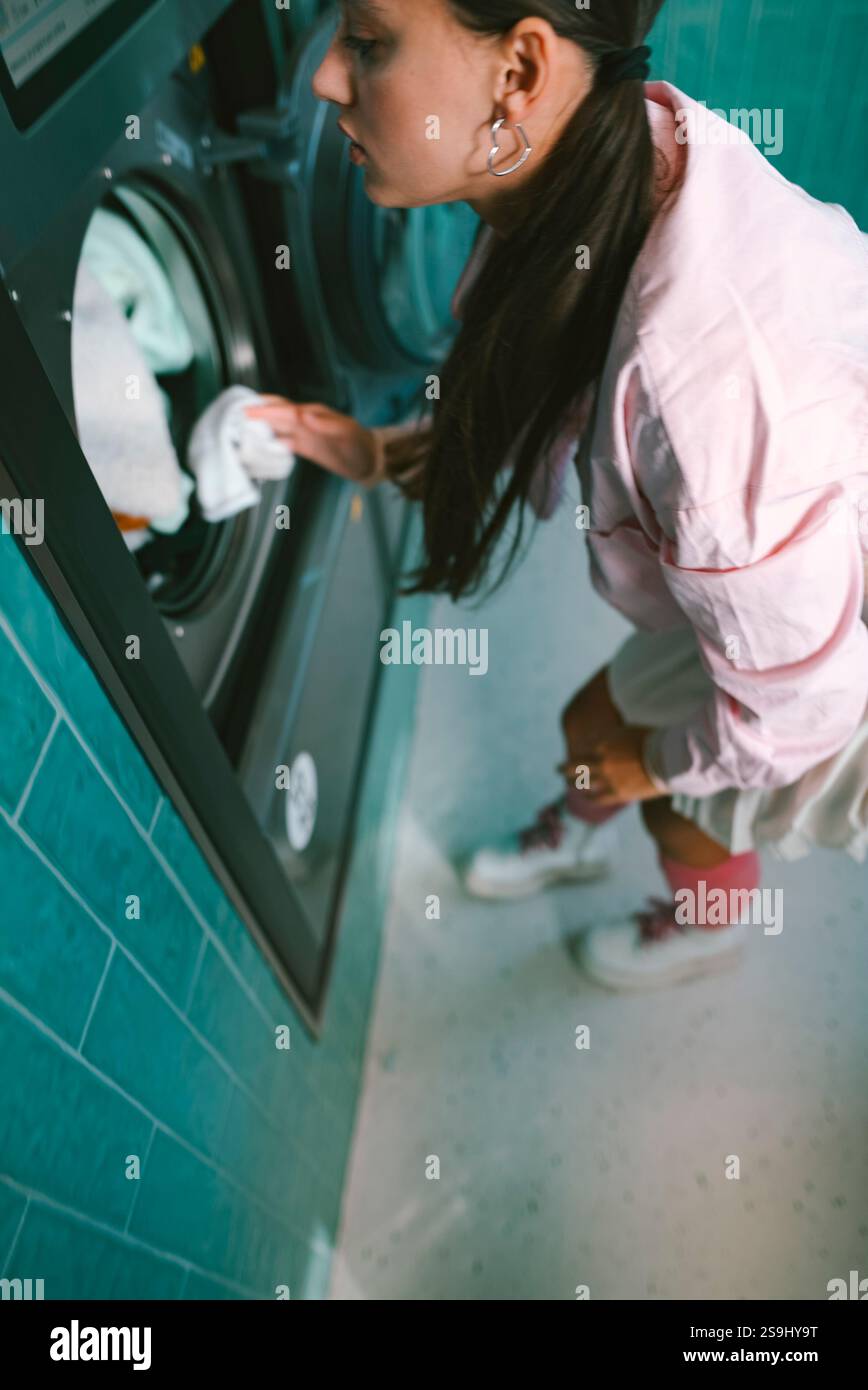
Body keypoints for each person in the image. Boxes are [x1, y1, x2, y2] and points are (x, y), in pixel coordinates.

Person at [246, 0, 868, 991]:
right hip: (795, 571)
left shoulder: (704, 396)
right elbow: (543, 395)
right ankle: (577, 834)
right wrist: (374, 450)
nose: (324, 76)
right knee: (590, 731)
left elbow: (803, 708)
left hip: (838, 672)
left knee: (675, 801)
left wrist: (657, 768)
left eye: (367, 42)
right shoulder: (612, 158)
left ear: (521, 73)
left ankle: (700, 921)